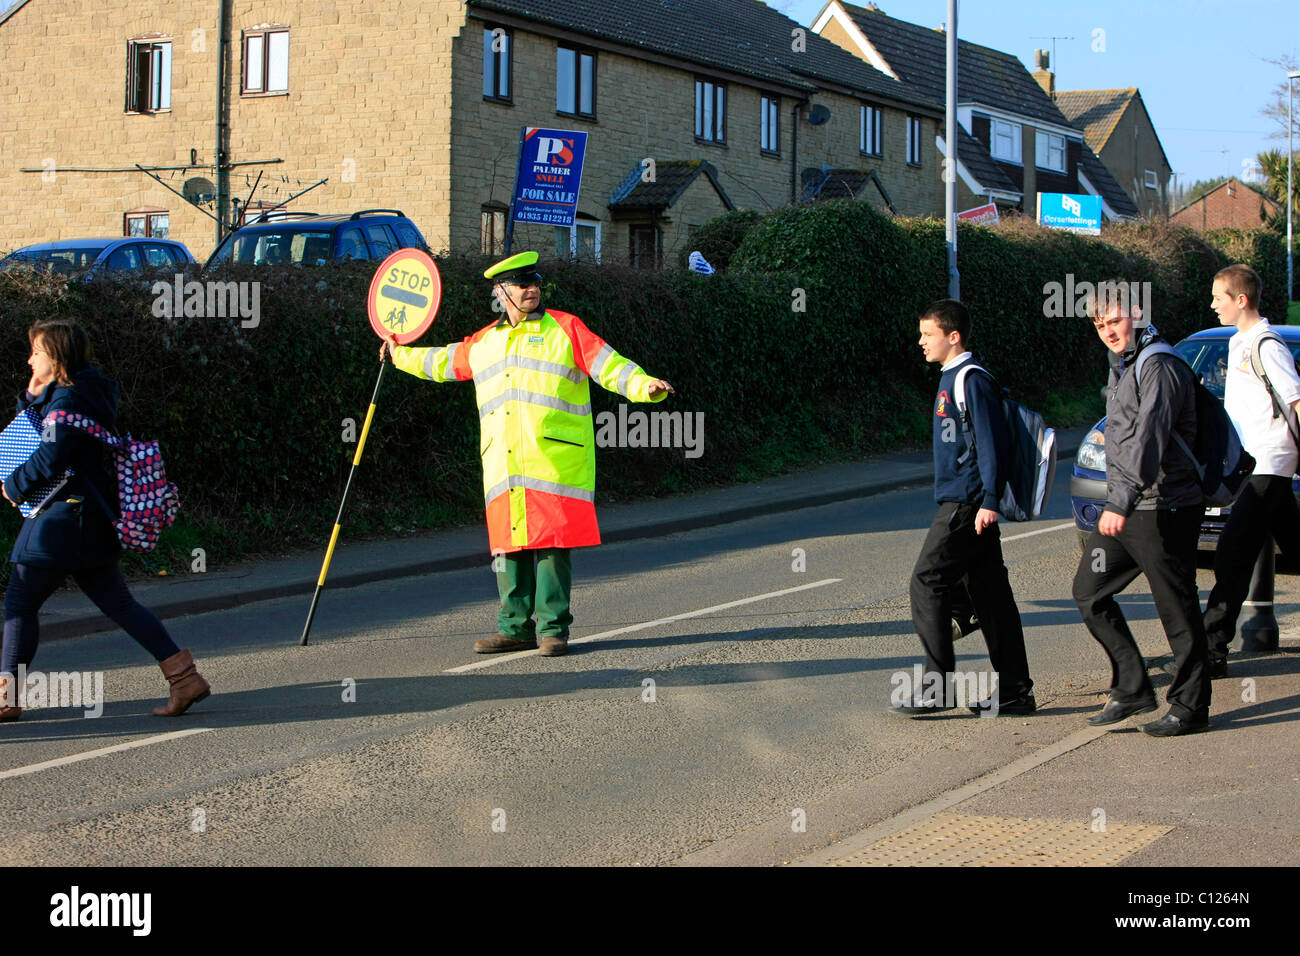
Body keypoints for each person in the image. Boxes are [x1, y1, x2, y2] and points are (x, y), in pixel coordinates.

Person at [382, 251, 674, 657]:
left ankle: (554, 630)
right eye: (522, 284)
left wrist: (644, 387)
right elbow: (441, 361)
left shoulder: (565, 328)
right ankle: (515, 628)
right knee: (507, 548)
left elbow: (610, 365)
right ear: (500, 292)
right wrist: (398, 355)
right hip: (503, 465)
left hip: (554, 464)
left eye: (535, 281)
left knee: (553, 547)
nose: (532, 289)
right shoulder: (484, 342)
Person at [1, 319, 210, 721]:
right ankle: (184, 677)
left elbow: (50, 455)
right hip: (88, 520)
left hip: (62, 521)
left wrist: (13, 486)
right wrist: (30, 393)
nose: (30, 358)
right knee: (119, 603)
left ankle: (6, 696)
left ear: (57, 358)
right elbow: (29, 429)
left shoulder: (68, 402)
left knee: (20, 602)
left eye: (38, 353)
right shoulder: (73, 394)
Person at [1072, 290, 1211, 735]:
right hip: (1132, 506)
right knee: (1089, 591)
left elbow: (1148, 438)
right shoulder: (1125, 365)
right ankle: (1133, 687)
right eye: (1099, 326)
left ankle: (1191, 707)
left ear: (1138, 315)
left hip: (1163, 505)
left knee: (1176, 606)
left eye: (1115, 321)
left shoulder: (1159, 364)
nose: (1108, 332)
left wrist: (1120, 500)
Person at [896, 299, 1035, 716]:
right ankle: (1014, 691)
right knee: (991, 595)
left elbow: (991, 443)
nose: (920, 342)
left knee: (926, 581)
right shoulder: (951, 378)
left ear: (952, 337)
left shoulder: (971, 379)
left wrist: (989, 500)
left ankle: (937, 688)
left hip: (968, 502)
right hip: (968, 500)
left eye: (928, 334)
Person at [1202, 264, 1300, 678]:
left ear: (1241, 300)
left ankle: (1210, 651)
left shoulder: (1266, 343)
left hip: (1269, 463)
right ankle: (1212, 648)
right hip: (1252, 465)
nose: (1212, 305)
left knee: (1233, 554)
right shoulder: (1240, 341)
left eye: (1218, 298)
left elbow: (1295, 400)